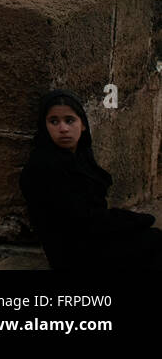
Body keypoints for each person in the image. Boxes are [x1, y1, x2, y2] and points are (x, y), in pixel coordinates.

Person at [19, 89, 162, 270]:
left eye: (69, 120)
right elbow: (83, 222)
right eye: (54, 121)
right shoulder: (43, 167)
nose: (63, 129)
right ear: (44, 126)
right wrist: (138, 220)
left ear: (83, 124)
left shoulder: (80, 156)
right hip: (75, 254)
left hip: (94, 239)